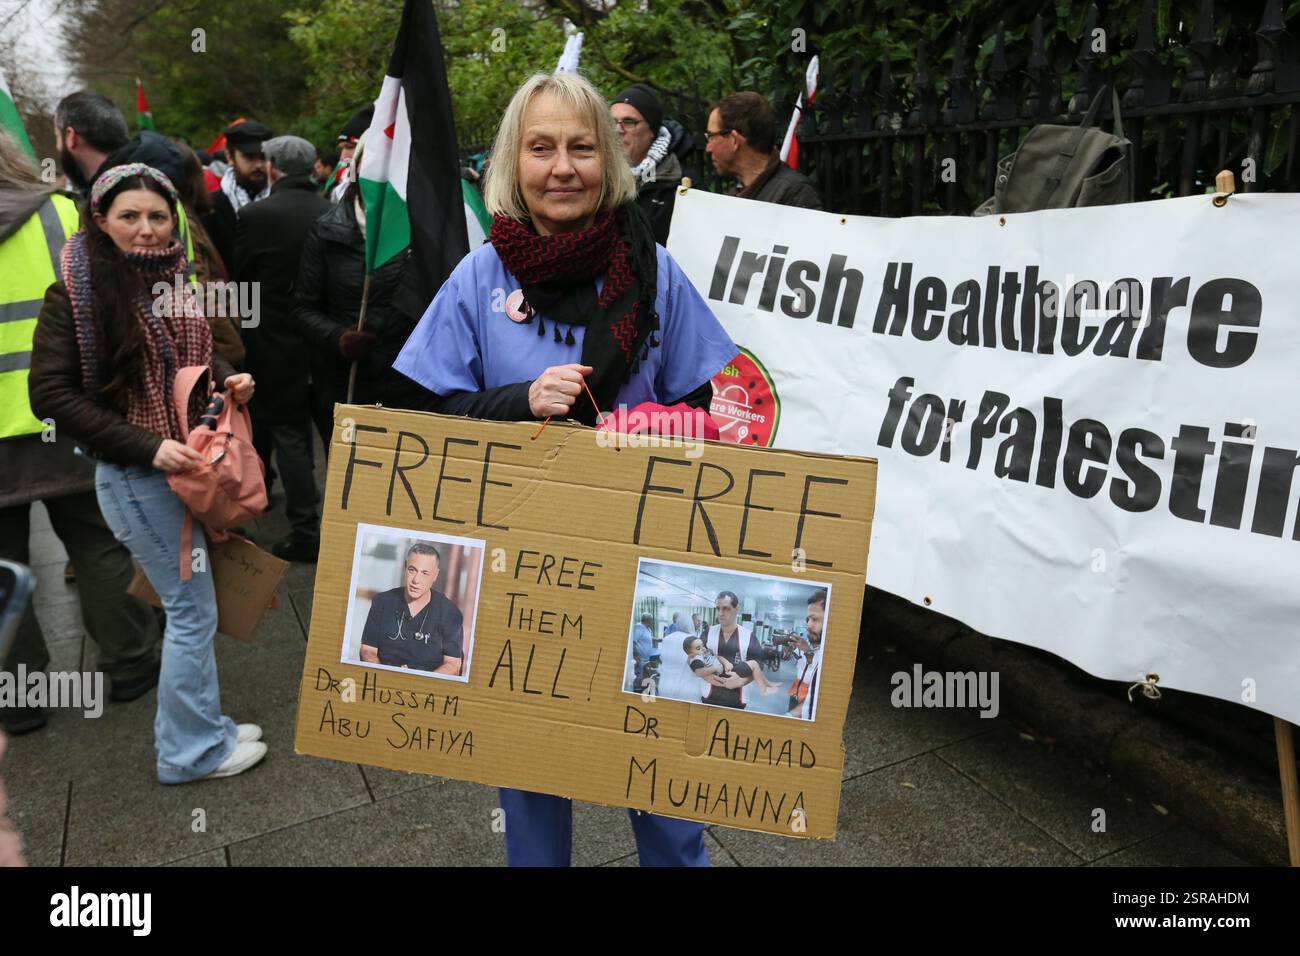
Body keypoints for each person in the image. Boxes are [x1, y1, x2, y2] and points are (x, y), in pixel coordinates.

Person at [392, 70, 738, 868]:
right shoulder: (479, 278)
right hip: (526, 580)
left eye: (582, 147)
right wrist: (518, 402)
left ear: (609, 161)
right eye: (541, 148)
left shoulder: (657, 272)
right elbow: (426, 427)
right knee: (533, 782)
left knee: (663, 782)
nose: (562, 167)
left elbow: (705, 411)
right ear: (513, 164)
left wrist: (648, 429)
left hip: (646, 569)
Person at [28, 163, 267, 782]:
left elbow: (191, 355)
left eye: (157, 216)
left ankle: (203, 730)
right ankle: (190, 754)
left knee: (194, 607)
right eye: (128, 215)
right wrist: (147, 447)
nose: (145, 228)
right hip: (138, 480)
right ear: (100, 221)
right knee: (191, 614)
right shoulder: (76, 293)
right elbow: (51, 395)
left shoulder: (173, 279)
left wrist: (225, 377)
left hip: (179, 472)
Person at [0, 129, 163, 736]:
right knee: (99, 545)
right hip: (69, 416)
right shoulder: (65, 213)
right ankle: (130, 665)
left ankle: (19, 697)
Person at [294, 132, 428, 450]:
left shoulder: (424, 230)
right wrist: (338, 338)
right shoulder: (327, 231)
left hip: (411, 389)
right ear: (356, 169)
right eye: (372, 163)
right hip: (347, 386)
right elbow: (302, 309)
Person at [235, 135, 330, 562]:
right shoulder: (332, 210)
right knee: (337, 435)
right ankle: (354, 523)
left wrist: (248, 335)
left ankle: (307, 531)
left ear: (273, 167)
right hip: (327, 342)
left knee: (291, 435)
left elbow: (242, 287)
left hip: (274, 344)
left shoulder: (255, 216)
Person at [171, 140, 244, 367]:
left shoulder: (187, 216)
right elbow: (204, 289)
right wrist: (233, 350)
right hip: (213, 346)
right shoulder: (183, 222)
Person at [359, 544, 464, 675]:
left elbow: (453, 664)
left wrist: (417, 682)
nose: (416, 580)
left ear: (435, 575)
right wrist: (386, 676)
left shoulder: (450, 613)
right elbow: (367, 650)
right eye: (412, 570)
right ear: (405, 567)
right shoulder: (382, 602)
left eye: (425, 573)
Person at [705, 92, 821, 209]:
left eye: (712, 137)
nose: (708, 148)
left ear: (734, 140)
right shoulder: (735, 197)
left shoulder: (795, 195)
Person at [610, 84, 683, 245]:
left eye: (628, 122)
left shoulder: (682, 183)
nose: (618, 130)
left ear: (652, 131)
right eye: (612, 122)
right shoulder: (598, 177)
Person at [205, 120, 274, 272]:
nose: (258, 165)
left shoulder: (281, 200)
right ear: (230, 157)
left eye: (263, 157)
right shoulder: (212, 206)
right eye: (249, 157)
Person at [698, 590, 766, 709]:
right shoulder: (708, 633)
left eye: (726, 608)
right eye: (718, 608)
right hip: (709, 695)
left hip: (737, 699)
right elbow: (693, 656)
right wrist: (705, 676)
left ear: (736, 609)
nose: (720, 613)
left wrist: (742, 681)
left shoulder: (748, 636)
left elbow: (759, 665)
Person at [683, 634, 780, 696]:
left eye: (702, 646)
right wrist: (716, 668)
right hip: (723, 674)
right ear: (690, 654)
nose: (703, 649)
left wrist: (726, 662)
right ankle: (765, 687)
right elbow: (699, 672)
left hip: (727, 668)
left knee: (755, 667)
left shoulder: (704, 653)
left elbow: (717, 656)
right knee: (754, 665)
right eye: (698, 648)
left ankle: (766, 685)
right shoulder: (695, 659)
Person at [785, 590, 825, 720]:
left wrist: (807, 651)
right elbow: (792, 658)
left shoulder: (829, 653)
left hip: (807, 700)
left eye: (814, 619)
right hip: (795, 695)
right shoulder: (805, 642)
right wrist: (788, 650)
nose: (808, 625)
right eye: (808, 619)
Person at [630, 613, 659, 690]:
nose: (653, 622)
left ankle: (643, 688)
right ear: (647, 620)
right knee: (638, 678)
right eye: (652, 620)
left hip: (645, 658)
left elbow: (646, 637)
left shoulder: (647, 629)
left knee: (643, 677)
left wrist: (657, 639)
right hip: (639, 657)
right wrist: (636, 656)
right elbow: (633, 641)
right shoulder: (639, 627)